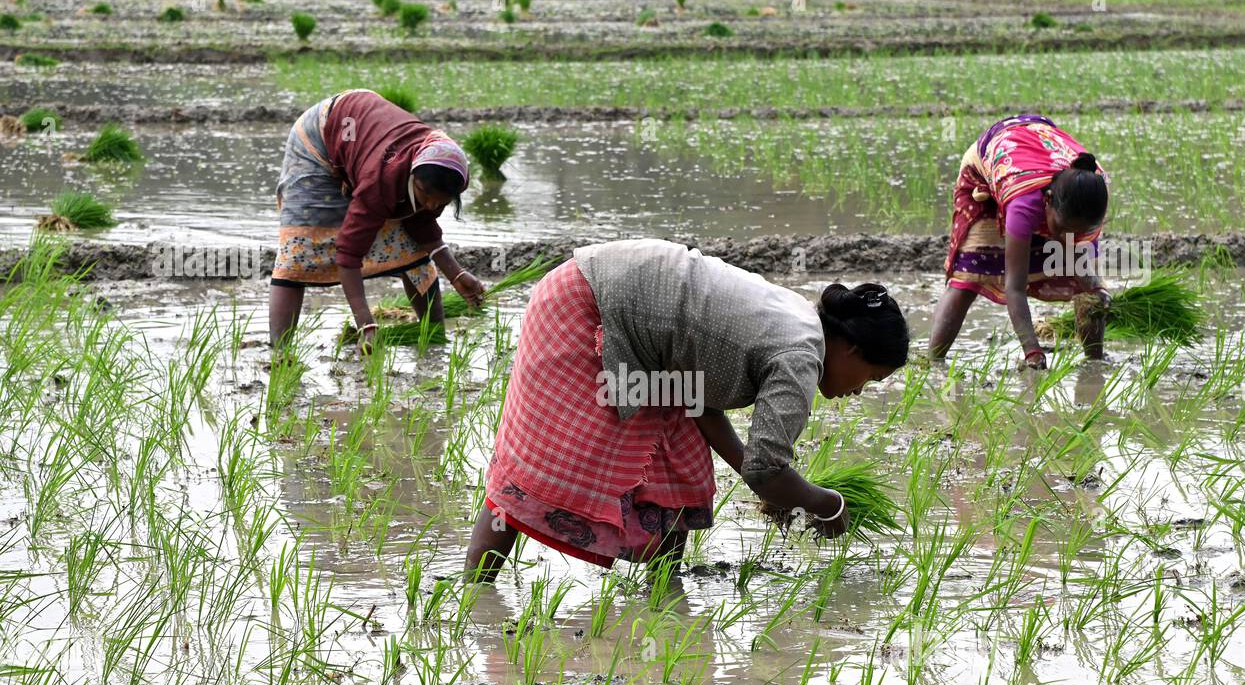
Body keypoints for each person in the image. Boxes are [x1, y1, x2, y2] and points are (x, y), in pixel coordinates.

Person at [463, 238, 910, 581]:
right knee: (544, 462)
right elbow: (767, 469)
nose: (859, 391)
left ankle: (663, 598)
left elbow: (704, 408)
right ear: (851, 349)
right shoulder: (801, 356)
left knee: (680, 468)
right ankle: (476, 596)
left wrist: (776, 492)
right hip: (587, 305)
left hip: (647, 342)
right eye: (870, 378)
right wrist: (825, 502)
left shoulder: (799, 322)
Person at [268, 88, 486, 353]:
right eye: (425, 194)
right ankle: (280, 354)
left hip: (366, 137)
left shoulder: (446, 167)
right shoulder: (383, 179)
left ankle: (434, 339)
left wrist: (457, 274)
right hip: (318, 141)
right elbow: (348, 254)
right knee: (299, 249)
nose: (431, 205)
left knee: (412, 248)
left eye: (440, 201)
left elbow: (422, 225)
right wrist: (366, 325)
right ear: (412, 176)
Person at [928, 114, 1110, 368]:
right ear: (1046, 201)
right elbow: (1015, 286)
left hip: (1037, 157)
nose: (1061, 238)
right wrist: (1032, 351)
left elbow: (1080, 262)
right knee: (970, 274)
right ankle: (933, 360)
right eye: (1060, 228)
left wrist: (1097, 292)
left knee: (1087, 291)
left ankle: (1095, 360)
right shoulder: (1023, 204)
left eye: (1075, 232)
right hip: (991, 172)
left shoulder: (1091, 192)